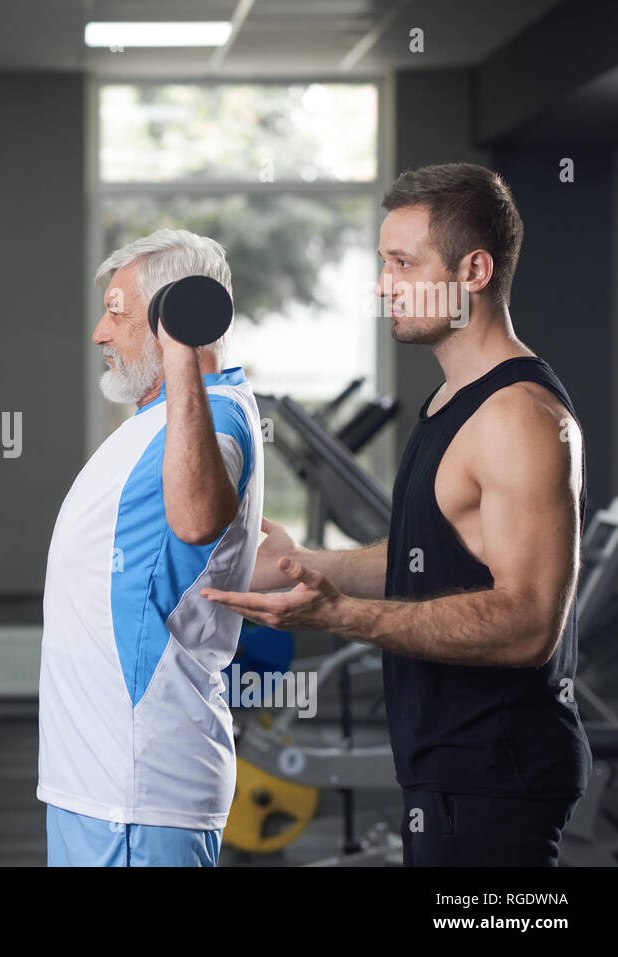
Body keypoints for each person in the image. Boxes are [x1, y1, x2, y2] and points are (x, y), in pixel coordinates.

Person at [203, 163, 591, 866]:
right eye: (384, 262)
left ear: (473, 269)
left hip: (495, 781)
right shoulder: (452, 401)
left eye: (403, 263)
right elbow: (424, 557)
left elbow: (529, 623)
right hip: (444, 771)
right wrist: (300, 566)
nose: (383, 285)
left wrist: (339, 616)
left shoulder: (520, 419)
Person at [38, 228, 265, 866]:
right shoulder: (162, 419)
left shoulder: (214, 415)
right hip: (94, 782)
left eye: (116, 311)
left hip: (136, 788)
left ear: (174, 314)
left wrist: (181, 353)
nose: (99, 334)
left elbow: (196, 520)